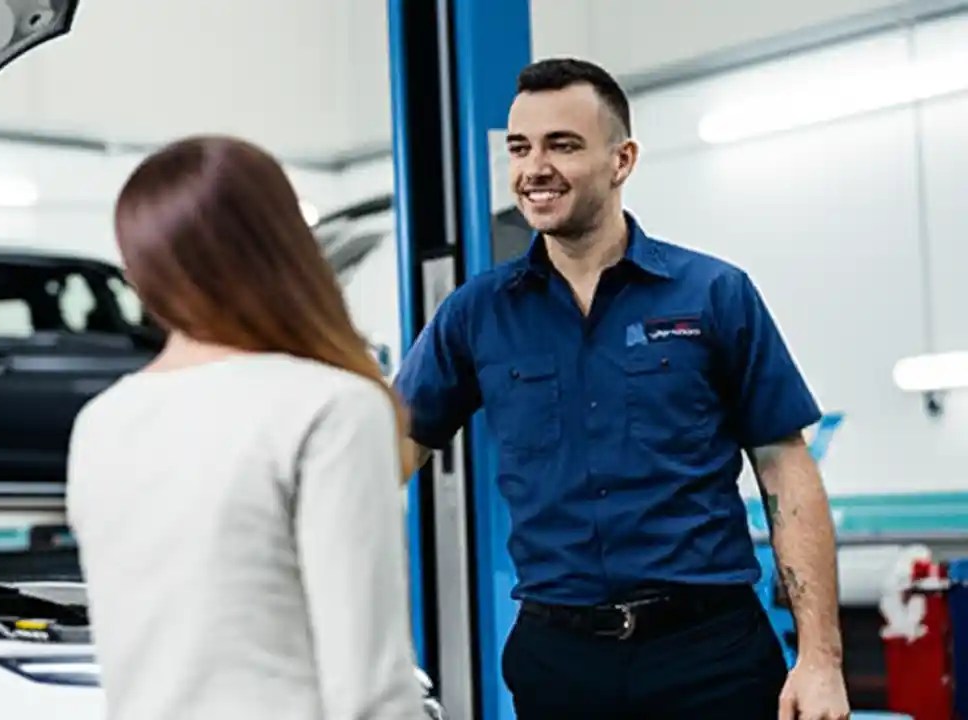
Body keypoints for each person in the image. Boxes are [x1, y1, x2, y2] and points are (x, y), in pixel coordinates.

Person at [394, 58, 850, 720]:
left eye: (563, 145)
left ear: (622, 159)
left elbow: (785, 469)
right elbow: (383, 455)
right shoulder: (477, 314)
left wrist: (820, 659)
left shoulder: (713, 295)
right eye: (521, 148)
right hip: (559, 659)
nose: (534, 168)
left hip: (709, 653)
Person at [65, 135, 427, 720]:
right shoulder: (332, 407)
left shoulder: (102, 421)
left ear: (142, 268)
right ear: (282, 247)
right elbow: (369, 690)